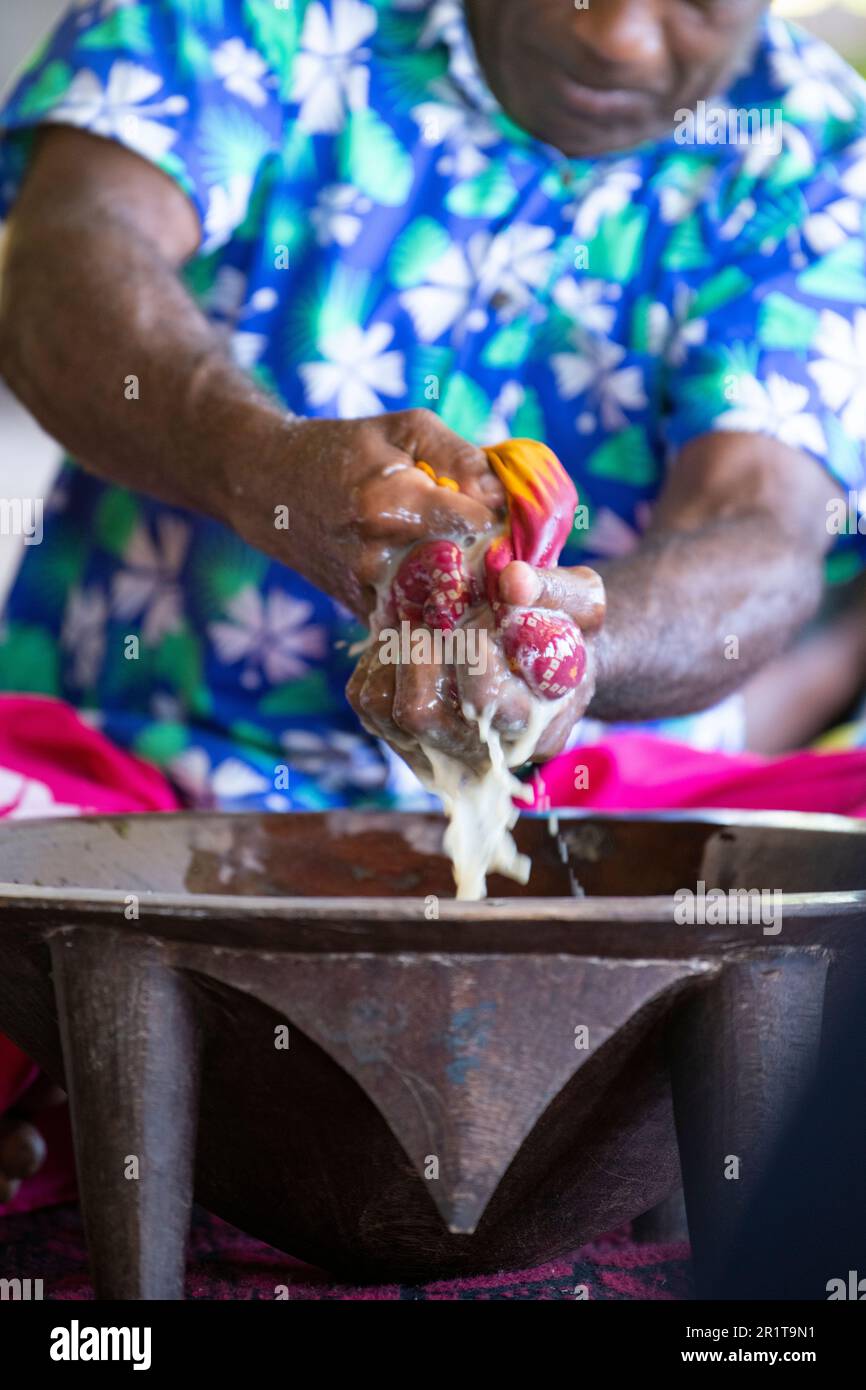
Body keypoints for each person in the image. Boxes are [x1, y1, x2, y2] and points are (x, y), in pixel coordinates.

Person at [0, 0, 865, 1204]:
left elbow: (764, 531)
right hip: (137, 790)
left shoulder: (811, 149)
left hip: (604, 825)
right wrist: (261, 470)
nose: (615, 36)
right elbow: (62, 261)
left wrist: (580, 643)